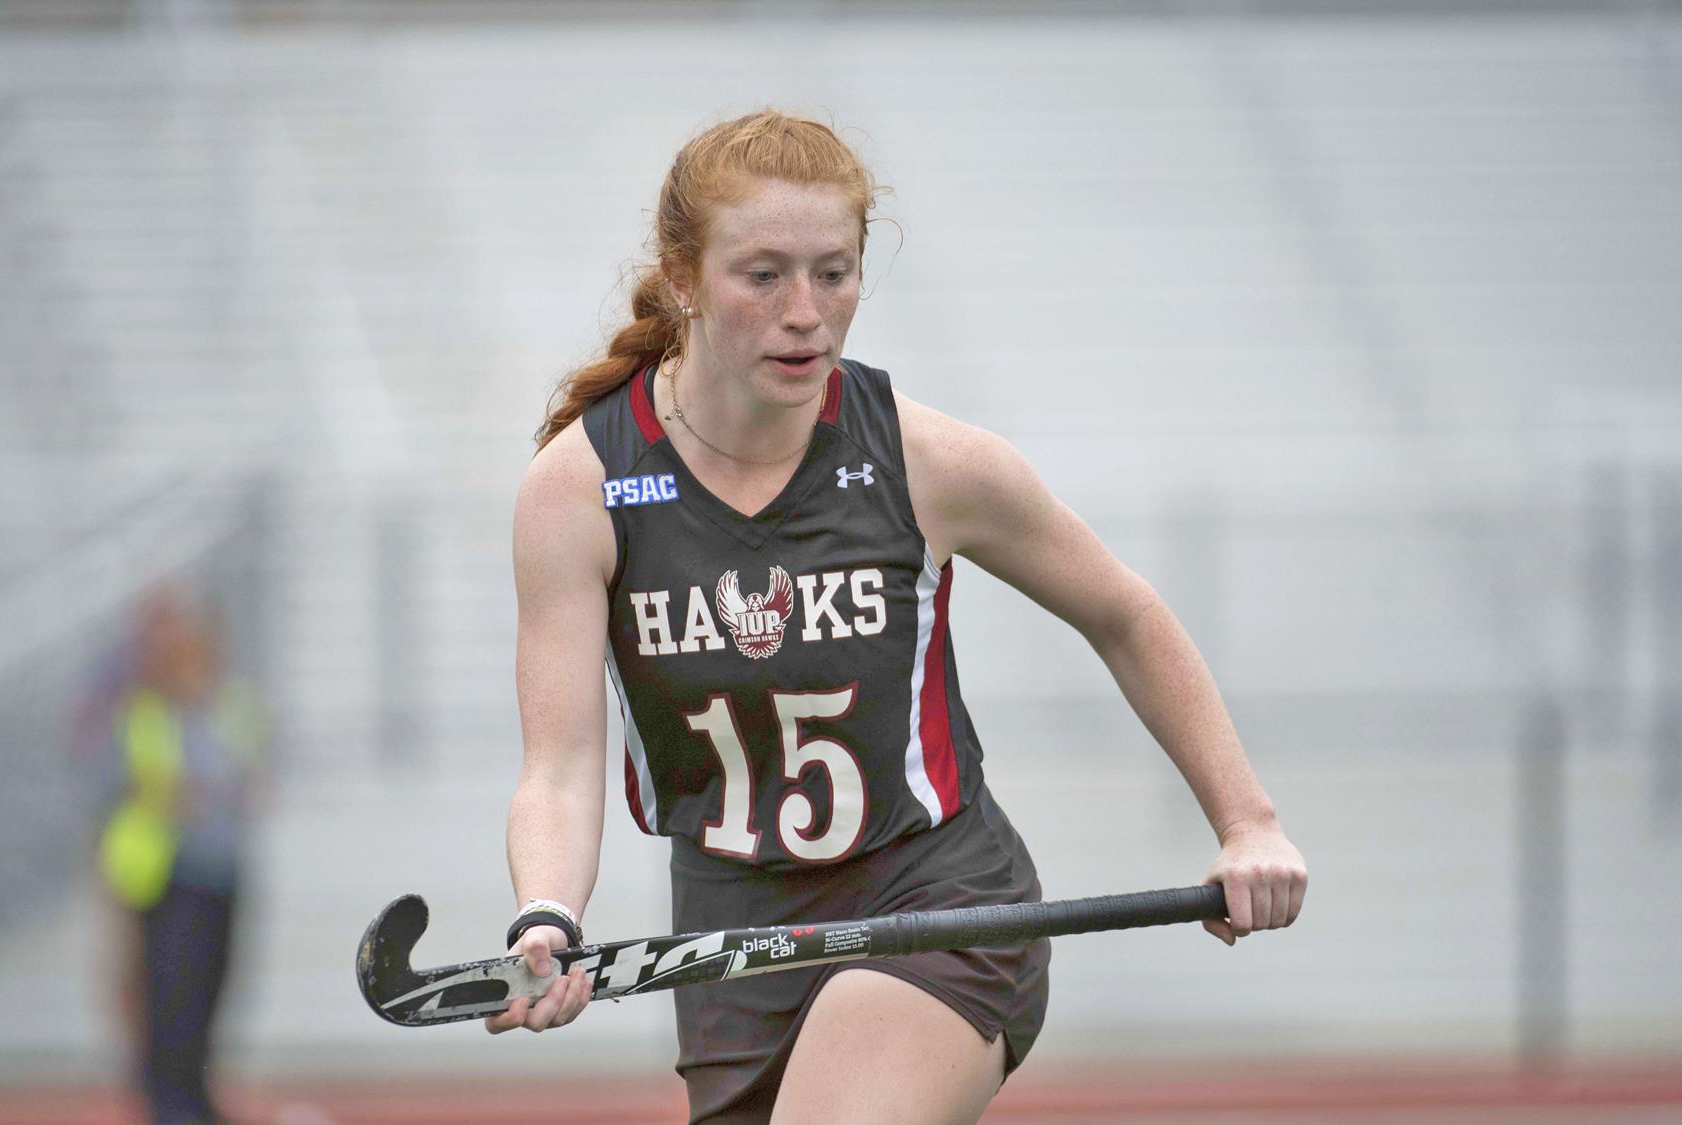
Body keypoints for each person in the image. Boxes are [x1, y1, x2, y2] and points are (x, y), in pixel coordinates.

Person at [491, 110, 1307, 1125]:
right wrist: (547, 914)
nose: (806, 313)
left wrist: (1247, 824)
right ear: (684, 278)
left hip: (934, 903)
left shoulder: (929, 463)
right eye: (764, 275)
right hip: (732, 944)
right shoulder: (580, 489)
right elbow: (561, 765)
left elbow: (1124, 614)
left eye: (833, 273)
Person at [89, 589, 267, 1124]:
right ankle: (167, 1100)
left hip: (219, 868)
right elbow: (136, 785)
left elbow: (248, 776)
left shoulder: (231, 704)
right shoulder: (143, 711)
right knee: (167, 992)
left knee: (212, 985)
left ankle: (194, 1091)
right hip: (161, 874)